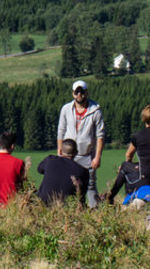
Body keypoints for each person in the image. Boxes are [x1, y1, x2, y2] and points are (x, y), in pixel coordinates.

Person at [106, 104, 150, 205]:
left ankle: (111, 198)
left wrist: (138, 165)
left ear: (143, 118)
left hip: (144, 180)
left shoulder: (138, 136)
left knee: (125, 166)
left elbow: (128, 155)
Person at [56, 79, 105, 207]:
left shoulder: (95, 110)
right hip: (68, 155)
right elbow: (61, 130)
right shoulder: (66, 109)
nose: (79, 95)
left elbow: (100, 136)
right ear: (73, 94)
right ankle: (67, 211)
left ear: (86, 93)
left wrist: (97, 157)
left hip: (87, 154)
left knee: (90, 185)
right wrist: (59, 149)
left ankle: (95, 211)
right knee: (67, 184)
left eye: (82, 92)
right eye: (77, 92)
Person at [37, 138, 90, 207]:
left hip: (42, 204)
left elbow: (39, 169)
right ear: (76, 153)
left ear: (60, 151)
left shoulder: (50, 160)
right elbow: (81, 195)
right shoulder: (83, 171)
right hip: (66, 208)